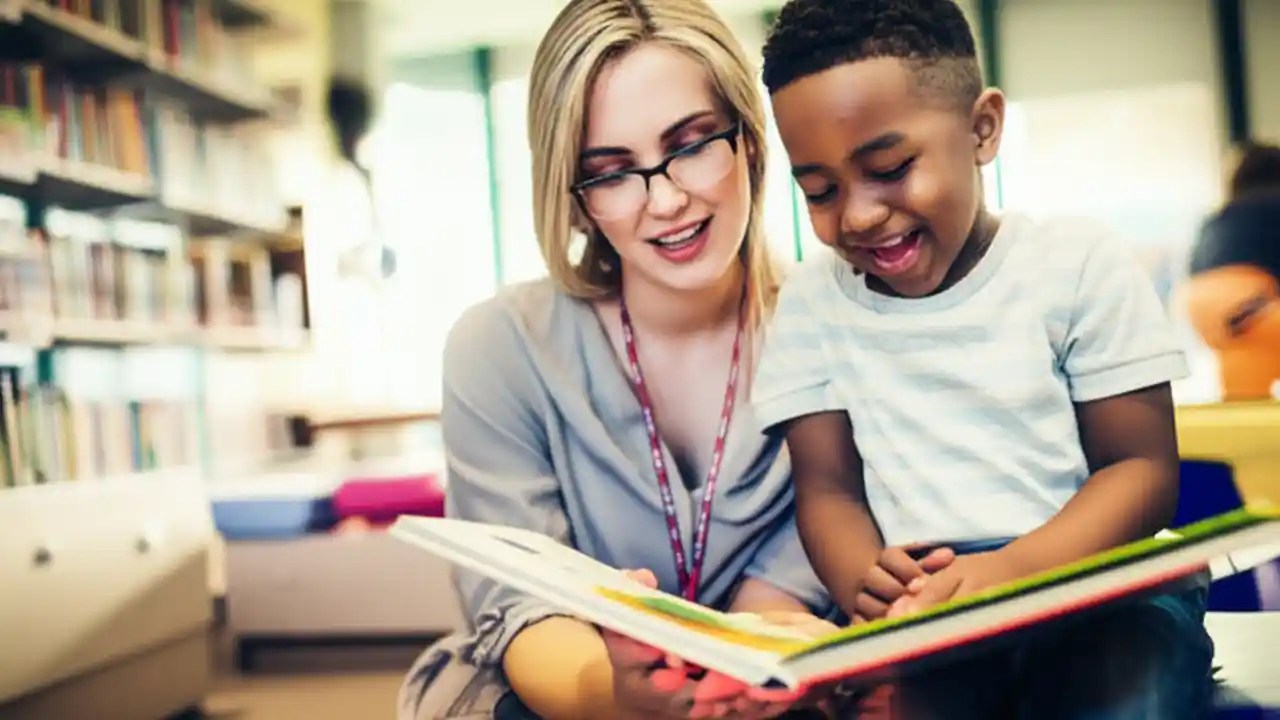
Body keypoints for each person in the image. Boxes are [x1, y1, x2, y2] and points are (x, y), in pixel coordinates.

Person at [749, 0, 1217, 717]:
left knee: (1130, 697)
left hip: (1100, 590)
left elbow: (1142, 471)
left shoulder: (1076, 265)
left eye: (891, 167)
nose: (859, 215)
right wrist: (861, 581)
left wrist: (1011, 571)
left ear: (982, 129)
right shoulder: (813, 304)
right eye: (820, 190)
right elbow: (828, 490)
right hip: (935, 605)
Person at [396, 1, 846, 718]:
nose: (666, 199)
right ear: (575, 201)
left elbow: (801, 583)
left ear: (749, 141)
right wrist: (622, 700)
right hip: (568, 689)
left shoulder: (844, 324)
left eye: (694, 143)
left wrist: (750, 664)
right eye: (611, 173)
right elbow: (522, 610)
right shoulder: (500, 348)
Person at [1186, 141, 1280, 400]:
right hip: (1252, 303)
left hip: (1201, 310)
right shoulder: (1274, 206)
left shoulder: (1218, 218)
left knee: (1249, 365)